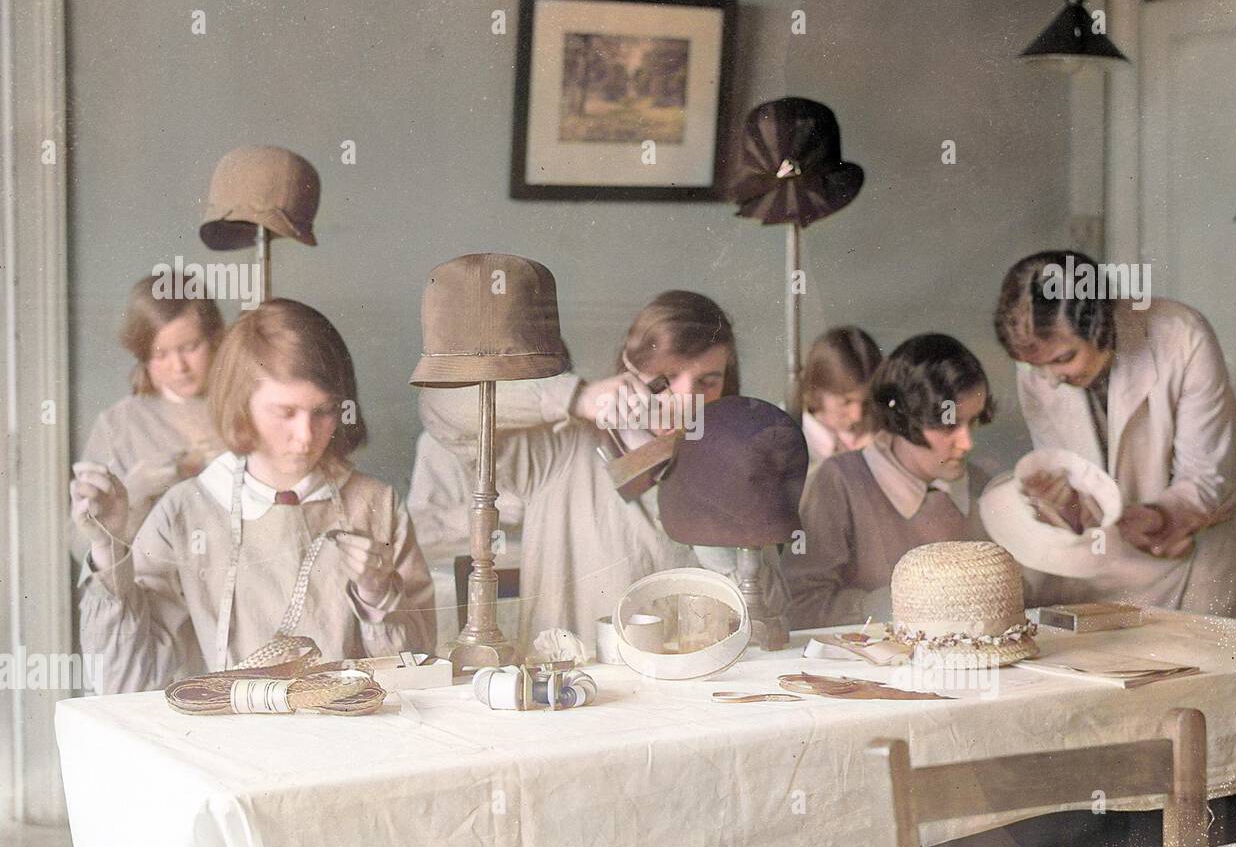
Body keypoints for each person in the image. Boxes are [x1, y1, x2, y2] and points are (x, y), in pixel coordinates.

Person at [72, 299, 435, 694]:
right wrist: (106, 546)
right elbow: (120, 681)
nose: (306, 436)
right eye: (285, 412)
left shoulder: (376, 504)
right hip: (227, 742)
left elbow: (418, 676)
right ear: (241, 406)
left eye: (323, 411)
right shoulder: (187, 511)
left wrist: (376, 593)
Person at [417, 289, 787, 658]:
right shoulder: (560, 449)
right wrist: (575, 397)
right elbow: (438, 407)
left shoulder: (735, 465)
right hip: (576, 692)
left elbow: (773, 615)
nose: (686, 402)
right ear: (630, 369)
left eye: (708, 382)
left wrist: (719, 521)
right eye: (667, 376)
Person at [995, 250, 1236, 623]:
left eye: (1063, 359)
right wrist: (1068, 502)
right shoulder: (1040, 366)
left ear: (1099, 326)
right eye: (1035, 365)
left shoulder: (1182, 336)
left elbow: (1205, 476)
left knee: (1209, 650)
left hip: (1212, 523)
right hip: (1125, 534)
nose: (1049, 379)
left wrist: (1158, 517)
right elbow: (1072, 469)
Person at [784, 334, 995, 629]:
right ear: (905, 419)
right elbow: (801, 606)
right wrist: (903, 602)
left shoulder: (982, 484)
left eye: (972, 422)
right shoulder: (839, 482)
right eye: (949, 425)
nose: (967, 442)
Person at [71, 277, 225, 557]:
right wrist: (133, 494)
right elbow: (82, 548)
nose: (179, 367)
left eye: (190, 347)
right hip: (156, 587)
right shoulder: (118, 424)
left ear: (214, 338)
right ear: (142, 355)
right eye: (161, 354)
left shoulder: (245, 405)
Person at [800, 326, 882, 479]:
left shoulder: (873, 425)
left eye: (865, 401)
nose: (857, 416)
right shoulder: (787, 442)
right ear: (817, 391)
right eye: (846, 402)